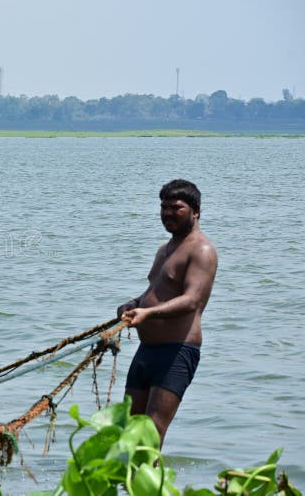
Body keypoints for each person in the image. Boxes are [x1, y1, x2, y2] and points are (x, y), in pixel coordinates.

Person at [117, 179, 218, 448]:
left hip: (177, 351)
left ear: (195, 211)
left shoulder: (202, 249)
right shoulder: (164, 250)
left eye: (176, 208)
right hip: (146, 351)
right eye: (164, 207)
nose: (168, 213)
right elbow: (155, 291)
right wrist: (133, 304)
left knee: (152, 431)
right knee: (129, 428)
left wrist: (148, 313)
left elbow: (192, 300)